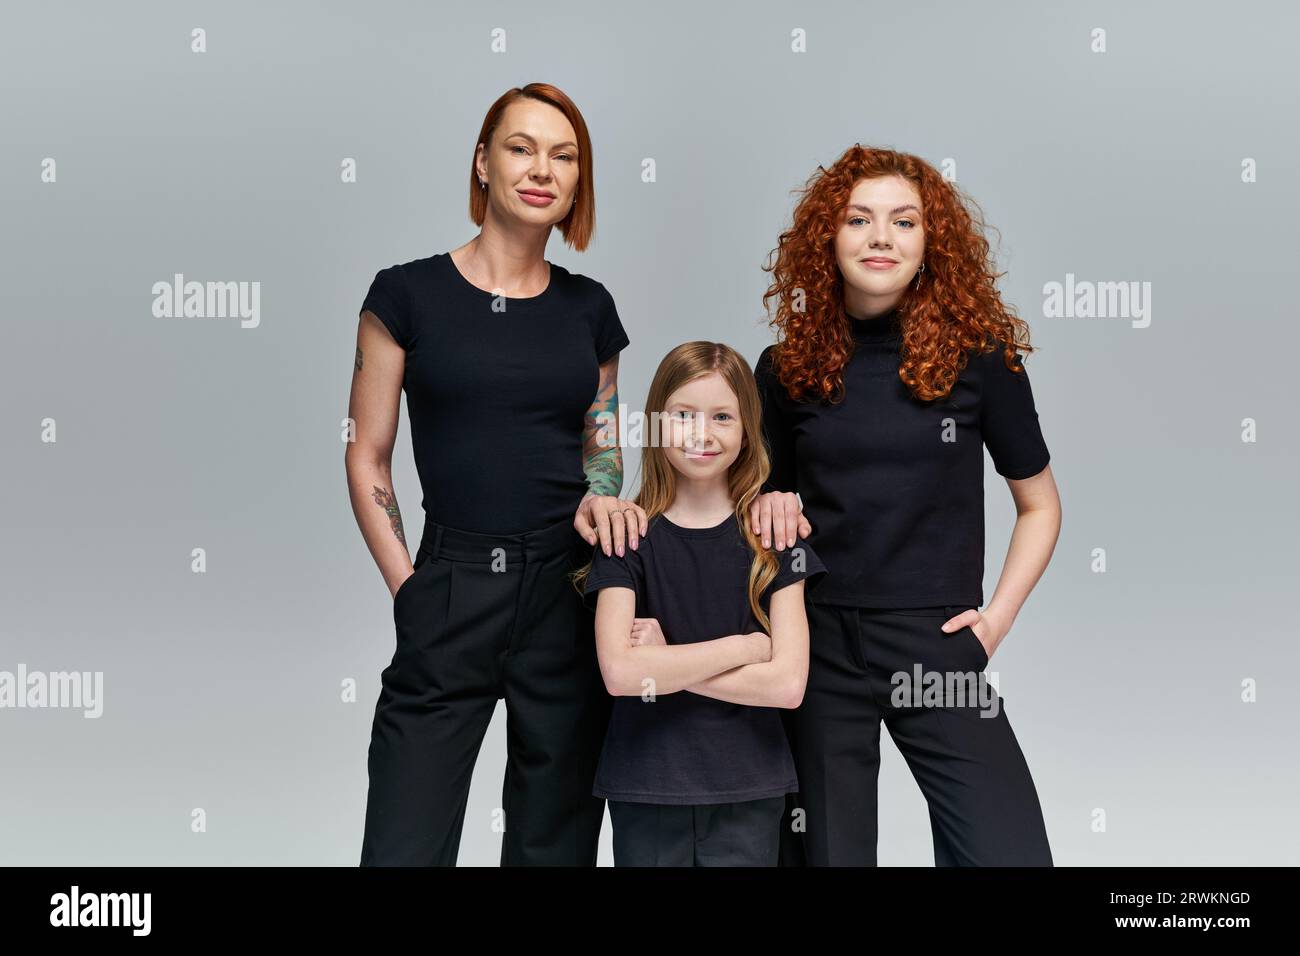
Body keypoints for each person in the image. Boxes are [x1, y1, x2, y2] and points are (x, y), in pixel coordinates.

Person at [346, 83, 646, 866]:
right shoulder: (405, 295)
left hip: (567, 588)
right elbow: (365, 450)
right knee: (404, 842)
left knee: (556, 841)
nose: (541, 168)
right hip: (450, 585)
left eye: (564, 155)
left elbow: (603, 448)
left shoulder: (590, 309)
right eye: (521, 147)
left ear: (578, 181)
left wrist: (604, 501)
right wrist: (408, 587)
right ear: (483, 163)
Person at [751, 145, 1060, 866]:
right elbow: (768, 510)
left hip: (935, 643)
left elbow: (1040, 506)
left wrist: (996, 621)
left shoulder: (983, 362)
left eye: (903, 221)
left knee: (1006, 852)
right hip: (818, 642)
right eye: (859, 220)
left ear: (931, 243)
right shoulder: (785, 369)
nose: (880, 237)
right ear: (827, 237)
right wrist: (770, 505)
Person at [574, 342, 827, 866]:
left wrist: (669, 661)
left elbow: (787, 684)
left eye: (722, 417)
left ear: (747, 428)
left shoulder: (776, 541)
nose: (702, 433)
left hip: (748, 789)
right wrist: (744, 647)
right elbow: (621, 674)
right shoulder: (627, 538)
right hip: (646, 787)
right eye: (683, 416)